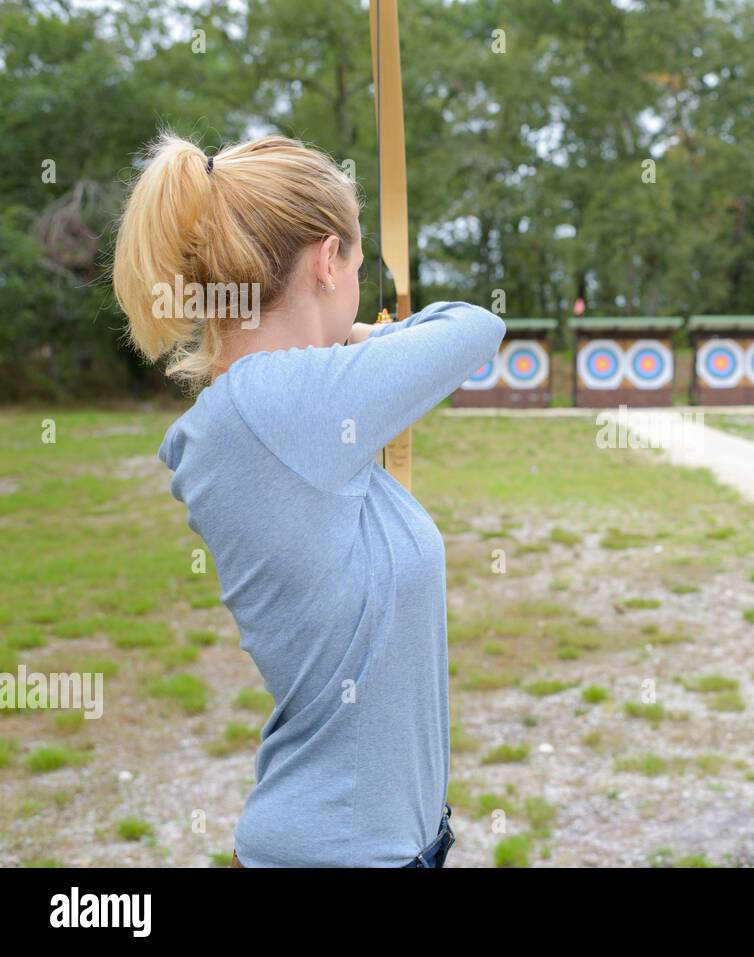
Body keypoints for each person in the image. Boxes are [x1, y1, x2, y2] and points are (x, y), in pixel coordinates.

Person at [112, 132, 505, 866]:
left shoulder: (265, 417)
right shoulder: (280, 407)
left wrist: (341, 337)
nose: (359, 284)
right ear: (328, 261)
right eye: (357, 264)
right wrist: (357, 333)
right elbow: (474, 326)